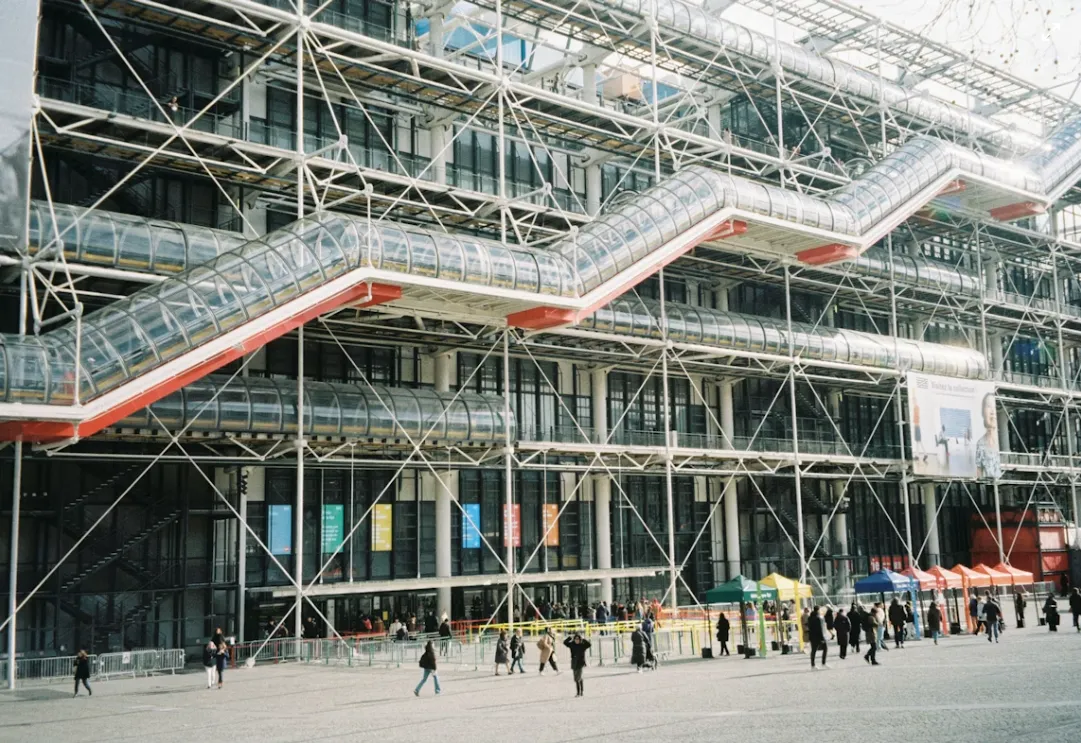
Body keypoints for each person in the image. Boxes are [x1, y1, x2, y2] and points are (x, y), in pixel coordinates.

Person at [975, 392, 1002, 480]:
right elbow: (978, 473)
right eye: (989, 406)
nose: (993, 412)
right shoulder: (980, 444)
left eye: (994, 407)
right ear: (983, 412)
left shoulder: (1001, 443)